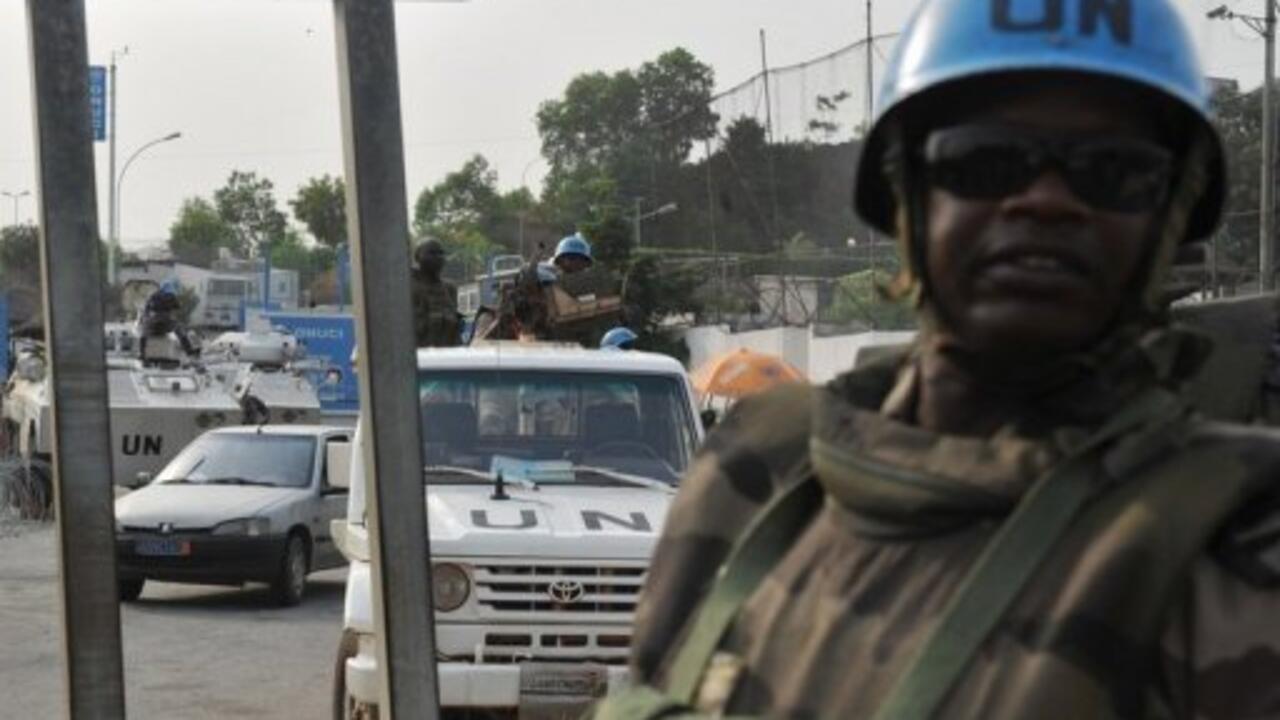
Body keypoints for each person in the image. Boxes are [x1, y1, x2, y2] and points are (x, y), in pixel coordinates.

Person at [594, 1, 1280, 718]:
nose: (1045, 201)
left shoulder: (1231, 544)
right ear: (905, 194)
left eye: (1113, 171)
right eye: (984, 160)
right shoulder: (758, 473)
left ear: (1169, 216)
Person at [410, 239, 462, 348]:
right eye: (432, 253)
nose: (438, 257)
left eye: (441, 253)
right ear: (418, 257)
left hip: (447, 354)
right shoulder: (408, 286)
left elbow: (454, 326)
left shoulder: (449, 288)